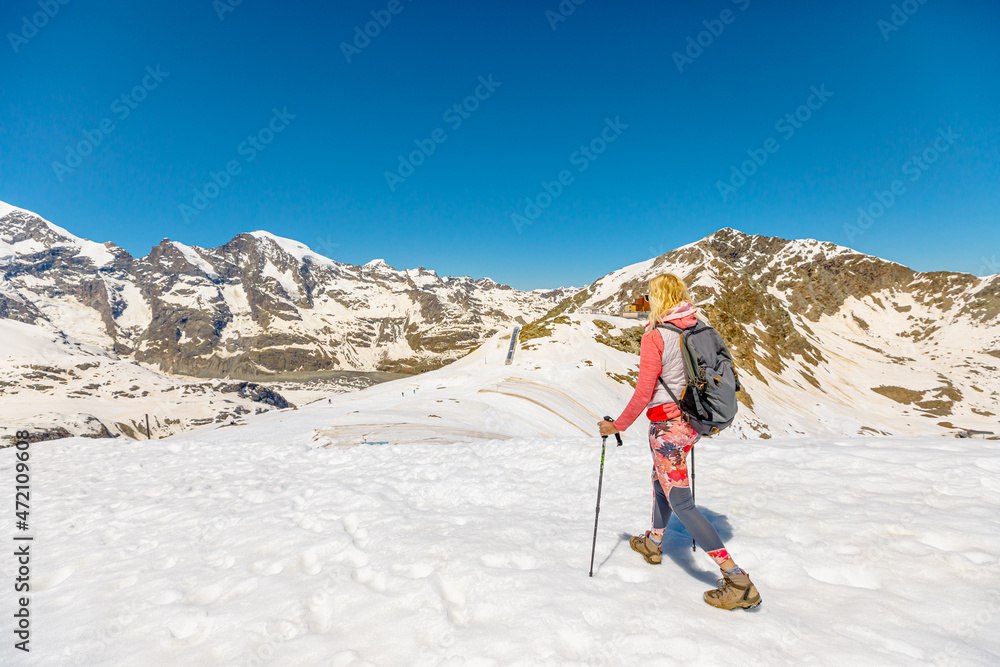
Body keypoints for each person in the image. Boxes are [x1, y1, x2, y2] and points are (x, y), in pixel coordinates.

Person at [597, 273, 760, 610]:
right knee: (661, 480)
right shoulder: (697, 327)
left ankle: (738, 580)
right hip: (693, 422)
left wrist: (618, 426)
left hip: (667, 427)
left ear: (656, 299)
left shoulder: (656, 336)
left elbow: (645, 391)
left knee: (681, 501)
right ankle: (654, 543)